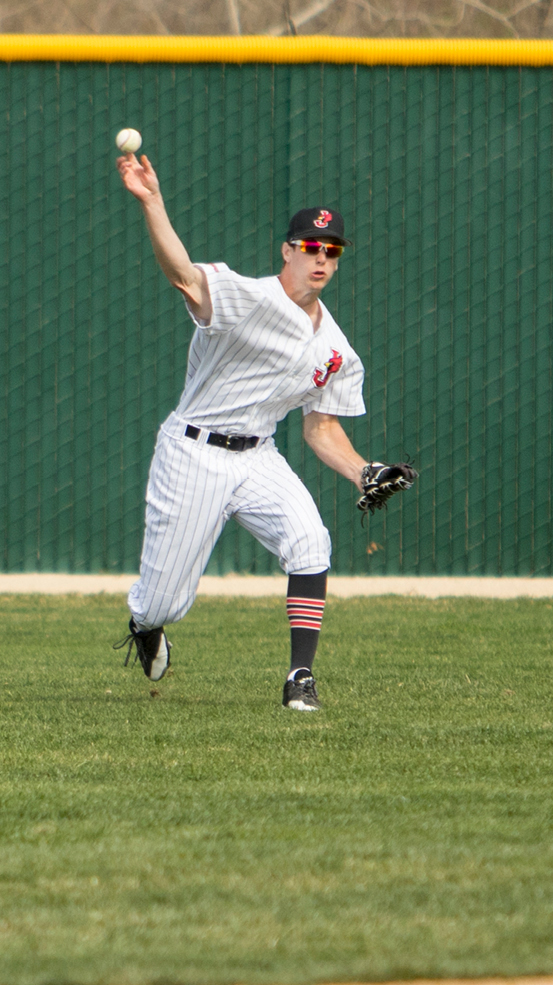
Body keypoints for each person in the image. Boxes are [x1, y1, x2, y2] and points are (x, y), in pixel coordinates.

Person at [114, 151, 390, 711]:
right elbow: (182, 274)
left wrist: (364, 471)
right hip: (194, 452)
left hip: (258, 456)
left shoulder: (337, 350)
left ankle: (300, 679)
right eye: (310, 247)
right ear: (288, 251)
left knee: (311, 543)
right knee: (165, 602)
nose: (320, 257)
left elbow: (321, 430)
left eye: (331, 250)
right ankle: (145, 623)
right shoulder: (246, 297)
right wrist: (153, 203)